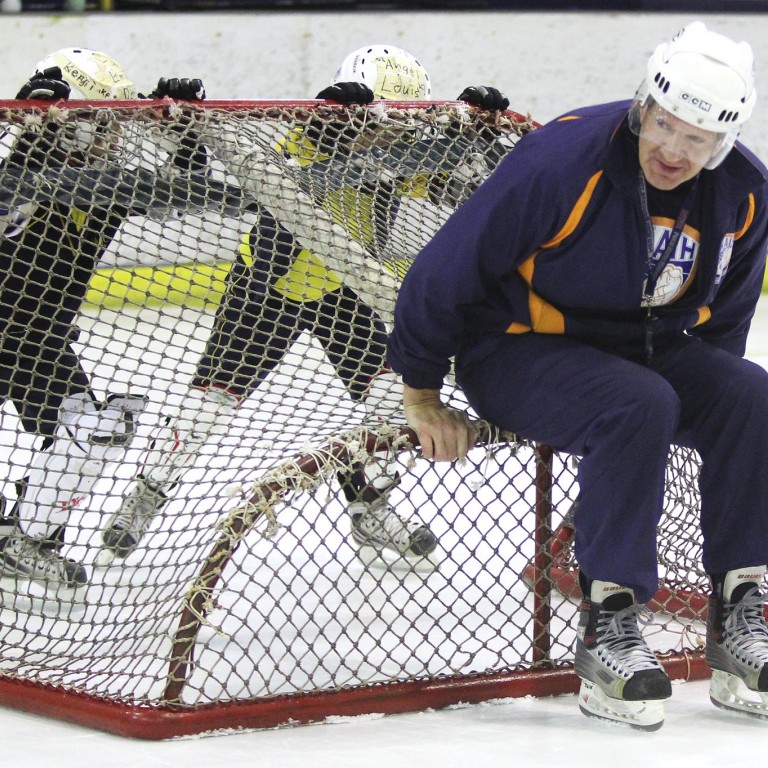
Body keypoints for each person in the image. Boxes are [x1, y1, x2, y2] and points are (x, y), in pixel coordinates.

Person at [386, 21, 768, 729]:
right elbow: (443, 271)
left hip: (641, 351)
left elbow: (724, 324)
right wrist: (421, 392)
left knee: (751, 395)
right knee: (638, 403)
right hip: (516, 349)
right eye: (664, 125)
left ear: (721, 145)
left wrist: (713, 404)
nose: (673, 150)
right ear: (642, 107)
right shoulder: (563, 161)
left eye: (696, 139)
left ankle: (742, 614)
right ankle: (609, 627)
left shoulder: (743, 192)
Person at [99, 44, 512, 570]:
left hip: (346, 292)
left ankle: (369, 509)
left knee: (395, 395)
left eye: (397, 125)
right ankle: (147, 493)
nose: (389, 135)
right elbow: (303, 146)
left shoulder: (396, 152)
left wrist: (471, 132)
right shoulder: (313, 136)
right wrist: (332, 119)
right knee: (205, 410)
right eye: (381, 121)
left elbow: (454, 187)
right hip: (267, 290)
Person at [0, 47, 208, 593]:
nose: (110, 136)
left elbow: (183, 191)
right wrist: (36, 127)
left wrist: (184, 130)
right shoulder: (17, 168)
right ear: (63, 126)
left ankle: (25, 543)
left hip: (40, 341)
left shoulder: (104, 186)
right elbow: (12, 193)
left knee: (96, 434)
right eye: (98, 123)